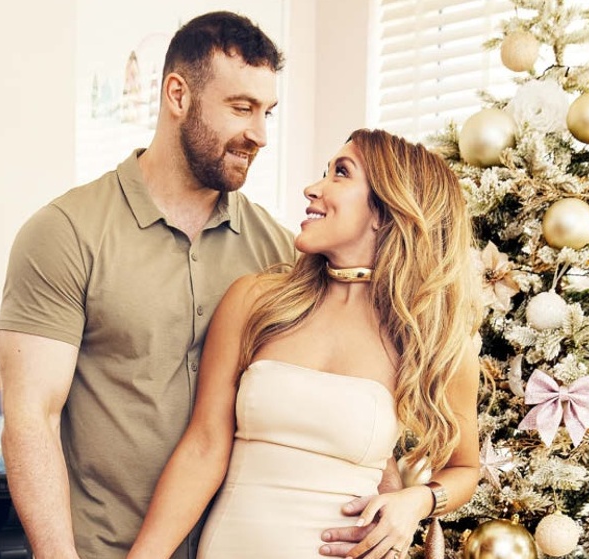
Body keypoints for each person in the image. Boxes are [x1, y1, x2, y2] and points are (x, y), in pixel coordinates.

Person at [0, 11, 376, 559]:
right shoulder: (65, 233)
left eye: (267, 112)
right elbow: (32, 417)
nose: (260, 134)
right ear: (178, 95)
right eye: (241, 108)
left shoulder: (279, 251)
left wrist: (414, 497)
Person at [126, 128, 483, 559]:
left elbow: (466, 467)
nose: (312, 188)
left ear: (385, 209)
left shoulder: (431, 340)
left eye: (341, 173)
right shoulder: (255, 300)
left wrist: (418, 501)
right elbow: (203, 447)